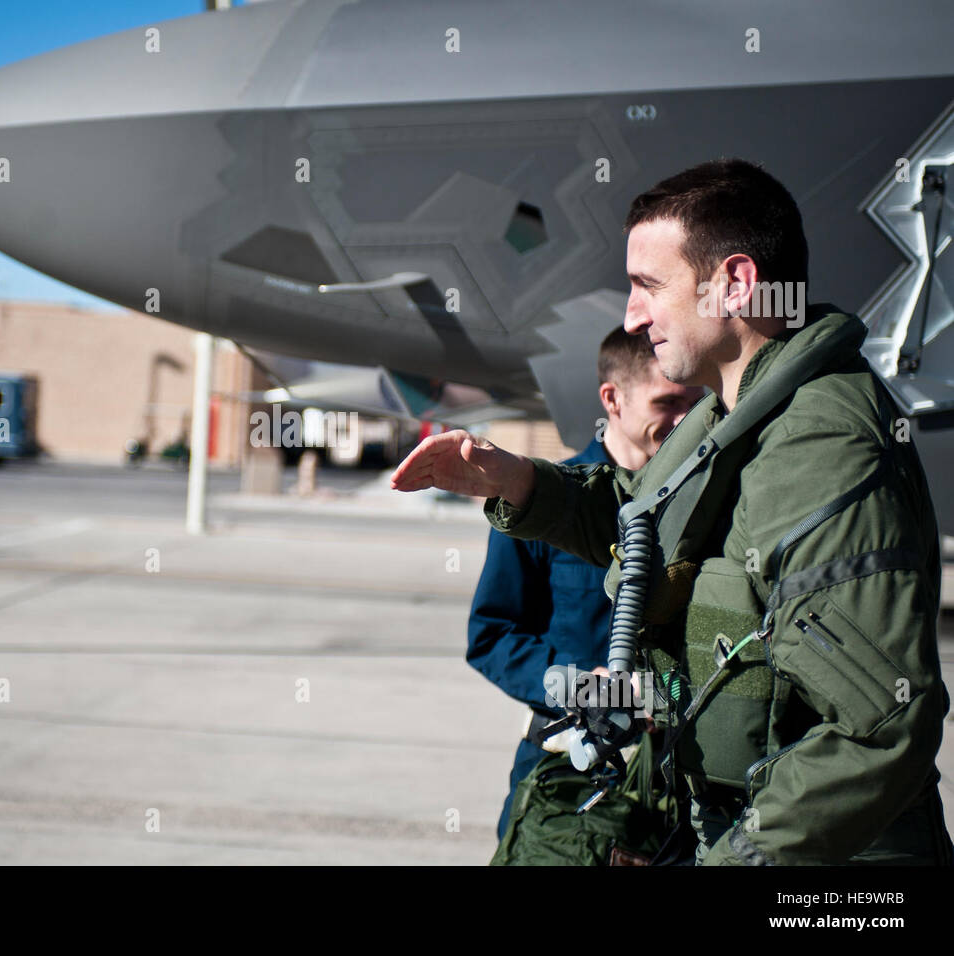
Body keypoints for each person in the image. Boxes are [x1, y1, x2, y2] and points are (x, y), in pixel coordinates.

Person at [393, 158, 953, 865]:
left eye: (649, 286)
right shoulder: (737, 415)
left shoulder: (820, 444)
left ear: (736, 284)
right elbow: (646, 525)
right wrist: (520, 483)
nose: (631, 316)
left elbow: (882, 728)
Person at [468, 328, 700, 840]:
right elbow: (491, 636)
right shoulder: (543, 502)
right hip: (570, 780)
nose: (684, 420)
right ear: (612, 399)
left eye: (695, 403)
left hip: (678, 784)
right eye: (666, 403)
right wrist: (577, 685)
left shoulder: (705, 505)